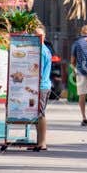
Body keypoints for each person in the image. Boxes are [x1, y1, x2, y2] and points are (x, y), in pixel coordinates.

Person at [31, 22, 53, 151]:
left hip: (41, 86)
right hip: (41, 85)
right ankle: (39, 142)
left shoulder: (42, 51)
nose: (36, 37)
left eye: (39, 35)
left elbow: (36, 71)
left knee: (40, 114)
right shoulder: (41, 50)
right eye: (34, 34)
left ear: (44, 36)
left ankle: (42, 142)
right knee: (37, 114)